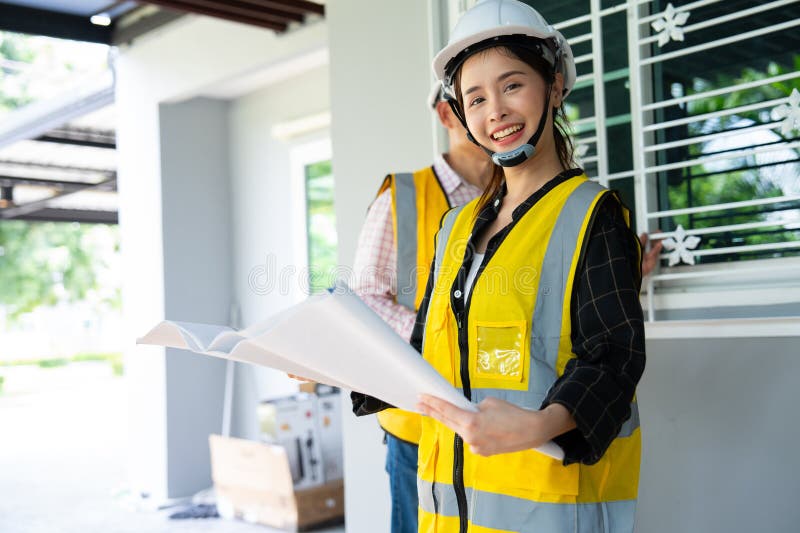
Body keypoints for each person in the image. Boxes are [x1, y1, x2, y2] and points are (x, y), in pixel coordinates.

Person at [353, 1, 645, 532]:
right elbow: (427, 346)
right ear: (461, 114)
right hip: (447, 511)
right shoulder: (456, 227)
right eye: (477, 98)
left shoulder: (593, 215)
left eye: (512, 86)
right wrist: (336, 358)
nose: (496, 112)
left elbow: (613, 358)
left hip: (548, 508)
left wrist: (541, 424)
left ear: (554, 87)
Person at [350, 83, 491, 533]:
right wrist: (447, 336)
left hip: (500, 420)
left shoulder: (519, 199)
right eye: (475, 101)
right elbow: (366, 301)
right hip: (418, 425)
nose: (492, 113)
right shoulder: (403, 196)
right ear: (447, 114)